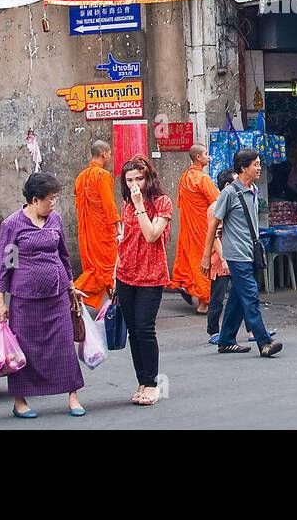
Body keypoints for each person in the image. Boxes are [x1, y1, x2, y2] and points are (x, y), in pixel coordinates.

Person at [0, 172, 85, 419]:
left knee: (64, 345)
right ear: (35, 199)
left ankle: (73, 395)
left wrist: (71, 286)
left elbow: (63, 257)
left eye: (55, 198)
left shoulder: (54, 220)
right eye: (49, 199)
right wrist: (1, 302)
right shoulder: (13, 225)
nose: (53, 203)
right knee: (23, 349)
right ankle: (20, 400)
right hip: (25, 299)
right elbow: (6, 265)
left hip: (56, 296)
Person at [201, 149, 282, 358]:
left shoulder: (254, 190)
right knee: (251, 296)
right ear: (243, 168)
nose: (259, 168)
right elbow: (213, 226)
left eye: (259, 164)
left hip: (251, 252)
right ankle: (264, 342)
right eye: (255, 164)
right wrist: (206, 256)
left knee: (238, 297)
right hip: (236, 255)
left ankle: (227, 340)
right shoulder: (229, 193)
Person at [115, 155, 173, 406]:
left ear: (149, 178)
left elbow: (151, 235)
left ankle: (151, 384)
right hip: (125, 273)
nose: (135, 184)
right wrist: (113, 272)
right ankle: (141, 381)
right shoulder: (126, 205)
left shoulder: (163, 203)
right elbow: (124, 240)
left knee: (145, 329)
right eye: (129, 180)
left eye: (139, 178)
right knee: (133, 333)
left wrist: (140, 204)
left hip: (151, 275)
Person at [168, 144, 218, 314]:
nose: (208, 157)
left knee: (191, 260)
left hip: (188, 227)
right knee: (204, 263)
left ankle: (187, 287)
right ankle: (204, 302)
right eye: (206, 154)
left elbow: (180, 203)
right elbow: (217, 201)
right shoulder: (202, 179)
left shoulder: (184, 177)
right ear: (198, 158)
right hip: (202, 227)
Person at [73, 139, 120, 310]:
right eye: (109, 154)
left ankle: (115, 303)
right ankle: (75, 291)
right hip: (103, 231)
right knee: (108, 267)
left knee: (98, 267)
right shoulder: (102, 175)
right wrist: (117, 225)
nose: (110, 156)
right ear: (103, 154)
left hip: (87, 231)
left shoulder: (80, 177)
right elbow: (109, 204)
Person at [204, 168, 235, 345]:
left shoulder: (232, 204)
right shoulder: (215, 208)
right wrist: (223, 258)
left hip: (234, 255)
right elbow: (213, 235)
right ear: (227, 186)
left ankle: (252, 329)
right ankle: (213, 331)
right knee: (217, 296)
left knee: (243, 294)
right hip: (219, 258)